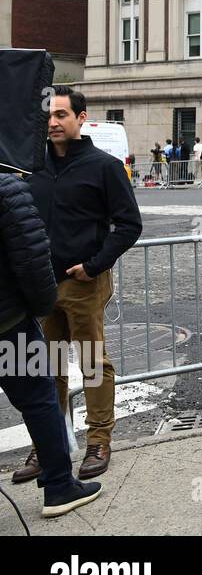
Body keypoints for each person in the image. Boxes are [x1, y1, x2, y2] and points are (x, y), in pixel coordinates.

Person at [20, 86, 141, 481]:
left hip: (83, 282)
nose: (53, 123)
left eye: (61, 115)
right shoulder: (30, 166)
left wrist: (94, 266)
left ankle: (99, 441)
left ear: (81, 118)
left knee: (91, 363)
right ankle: (48, 447)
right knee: (44, 368)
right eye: (48, 117)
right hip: (39, 286)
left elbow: (129, 225)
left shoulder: (103, 166)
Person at [1, 172, 104, 516]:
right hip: (9, 325)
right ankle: (59, 486)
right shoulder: (7, 187)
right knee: (38, 399)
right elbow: (32, 259)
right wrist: (41, 308)